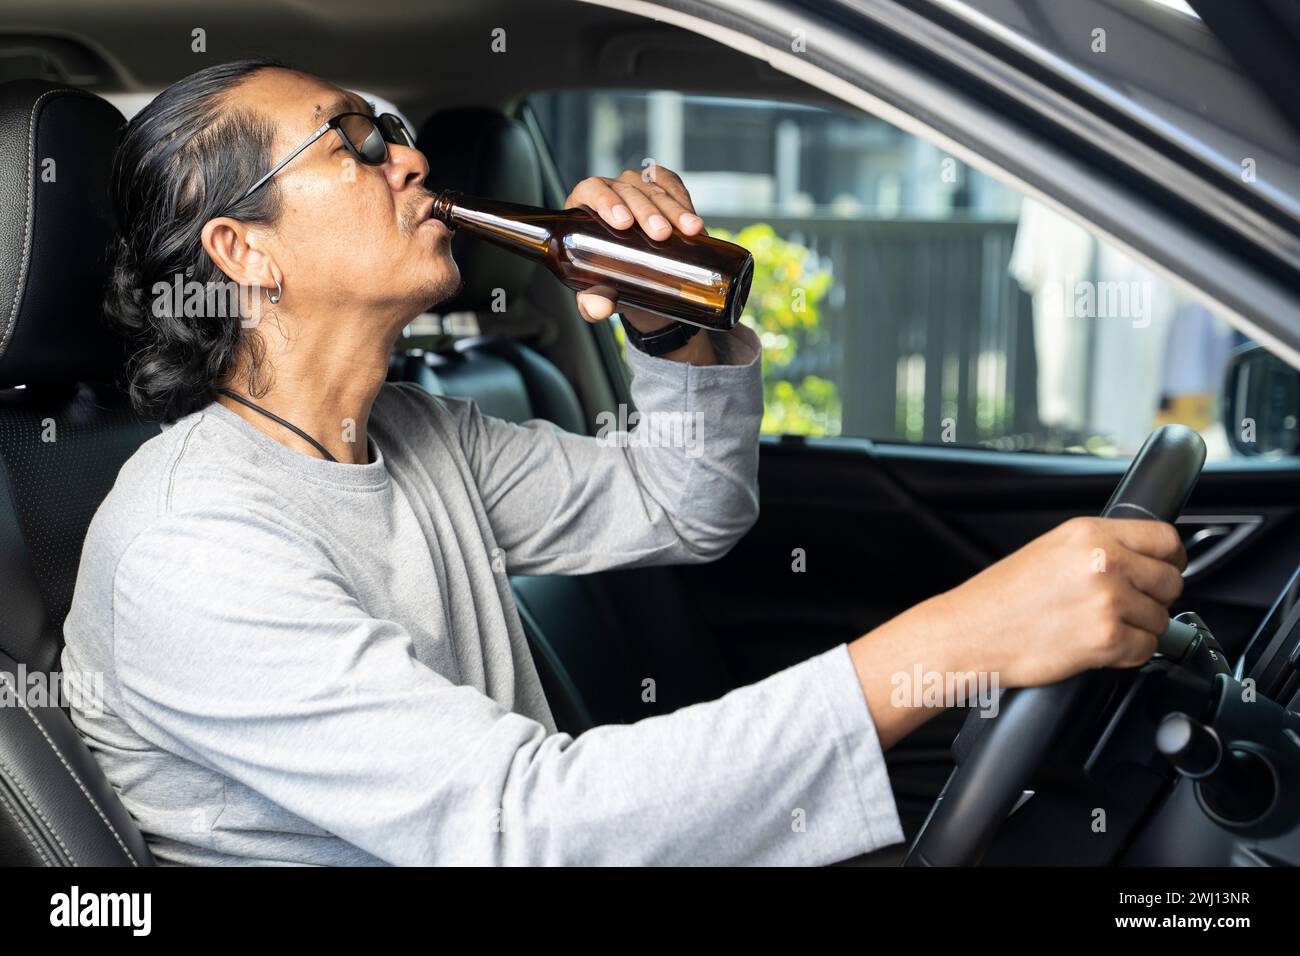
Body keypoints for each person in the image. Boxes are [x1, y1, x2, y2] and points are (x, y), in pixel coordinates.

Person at [61, 59, 1186, 866]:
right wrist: (954, 640)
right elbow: (524, 825)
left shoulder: (416, 431)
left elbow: (685, 503)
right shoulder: (189, 545)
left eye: (396, 125)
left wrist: (665, 327)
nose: (407, 155)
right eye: (352, 139)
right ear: (239, 249)